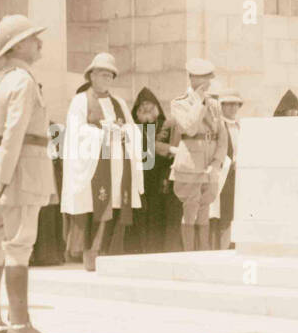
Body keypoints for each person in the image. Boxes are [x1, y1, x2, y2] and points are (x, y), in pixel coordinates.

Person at [0, 14, 61, 333]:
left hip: (1, 169)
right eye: (31, 38)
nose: (38, 42)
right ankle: (19, 325)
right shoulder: (24, 82)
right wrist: (3, 176)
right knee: (19, 245)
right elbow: (14, 134)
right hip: (22, 172)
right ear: (16, 46)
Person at [61, 53, 142, 270]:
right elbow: (76, 131)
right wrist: (104, 132)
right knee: (96, 206)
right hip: (94, 166)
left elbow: (133, 128)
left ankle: (109, 253)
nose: (107, 79)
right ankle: (92, 253)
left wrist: (125, 131)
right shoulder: (80, 101)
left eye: (110, 75)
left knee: (114, 206)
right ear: (92, 76)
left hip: (117, 165)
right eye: (103, 74)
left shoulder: (120, 103)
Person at [166, 58, 227, 252]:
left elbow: (222, 136)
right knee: (190, 210)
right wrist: (200, 103)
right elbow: (190, 128)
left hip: (210, 165)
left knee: (205, 209)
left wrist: (217, 163)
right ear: (192, 78)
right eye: (204, 78)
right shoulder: (179, 103)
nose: (208, 83)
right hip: (190, 164)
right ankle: (189, 254)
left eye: (208, 78)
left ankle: (203, 253)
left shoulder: (215, 104)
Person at [130, 87, 173, 253]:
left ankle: (155, 249)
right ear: (137, 109)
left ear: (156, 107)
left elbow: (168, 154)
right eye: (143, 106)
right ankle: (137, 248)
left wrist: (165, 177)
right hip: (138, 178)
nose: (146, 109)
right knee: (138, 213)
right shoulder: (133, 127)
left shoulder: (164, 125)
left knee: (156, 213)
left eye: (150, 105)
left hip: (157, 178)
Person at [209, 89, 242, 249]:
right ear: (221, 106)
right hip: (222, 174)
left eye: (235, 105)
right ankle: (219, 247)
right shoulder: (217, 125)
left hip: (237, 176)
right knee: (219, 213)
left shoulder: (240, 125)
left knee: (233, 213)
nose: (232, 108)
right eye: (228, 105)